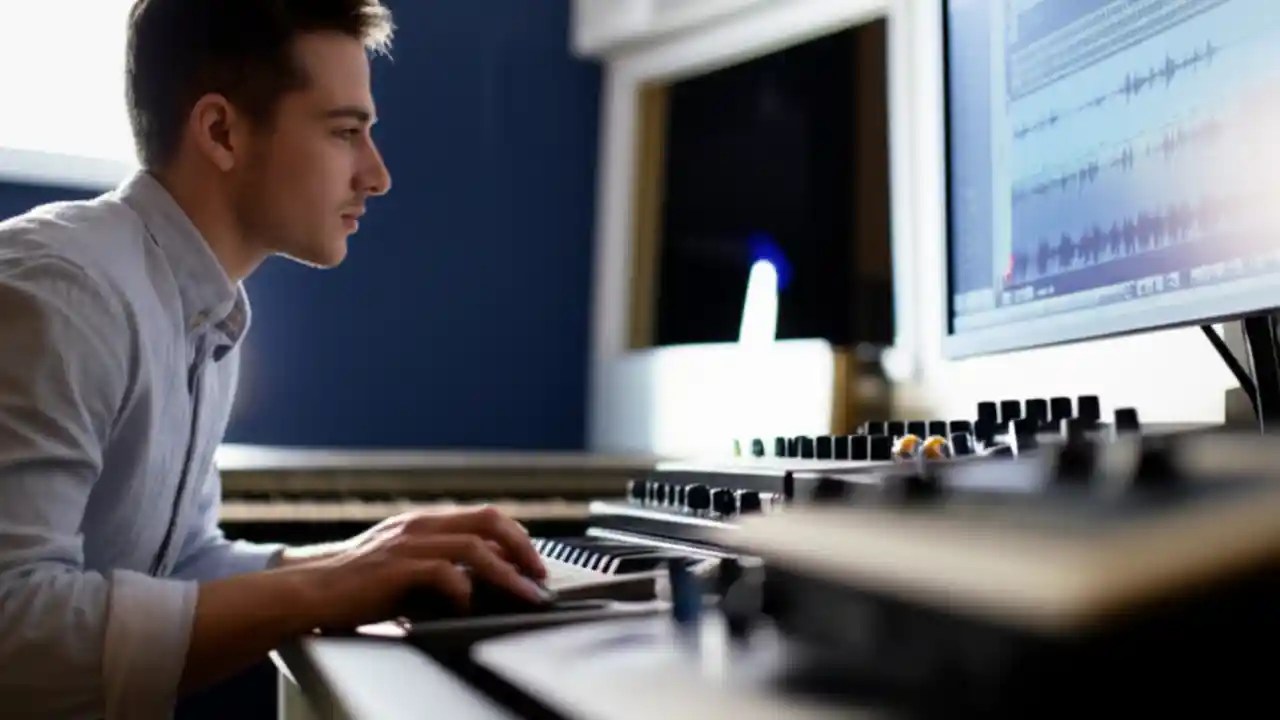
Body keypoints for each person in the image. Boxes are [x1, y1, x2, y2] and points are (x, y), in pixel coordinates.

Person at [0, 1, 549, 717]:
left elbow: (174, 565)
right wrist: (329, 587)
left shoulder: (198, 307)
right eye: (346, 132)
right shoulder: (67, 293)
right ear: (222, 132)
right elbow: (13, 628)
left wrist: (361, 556)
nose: (377, 175)